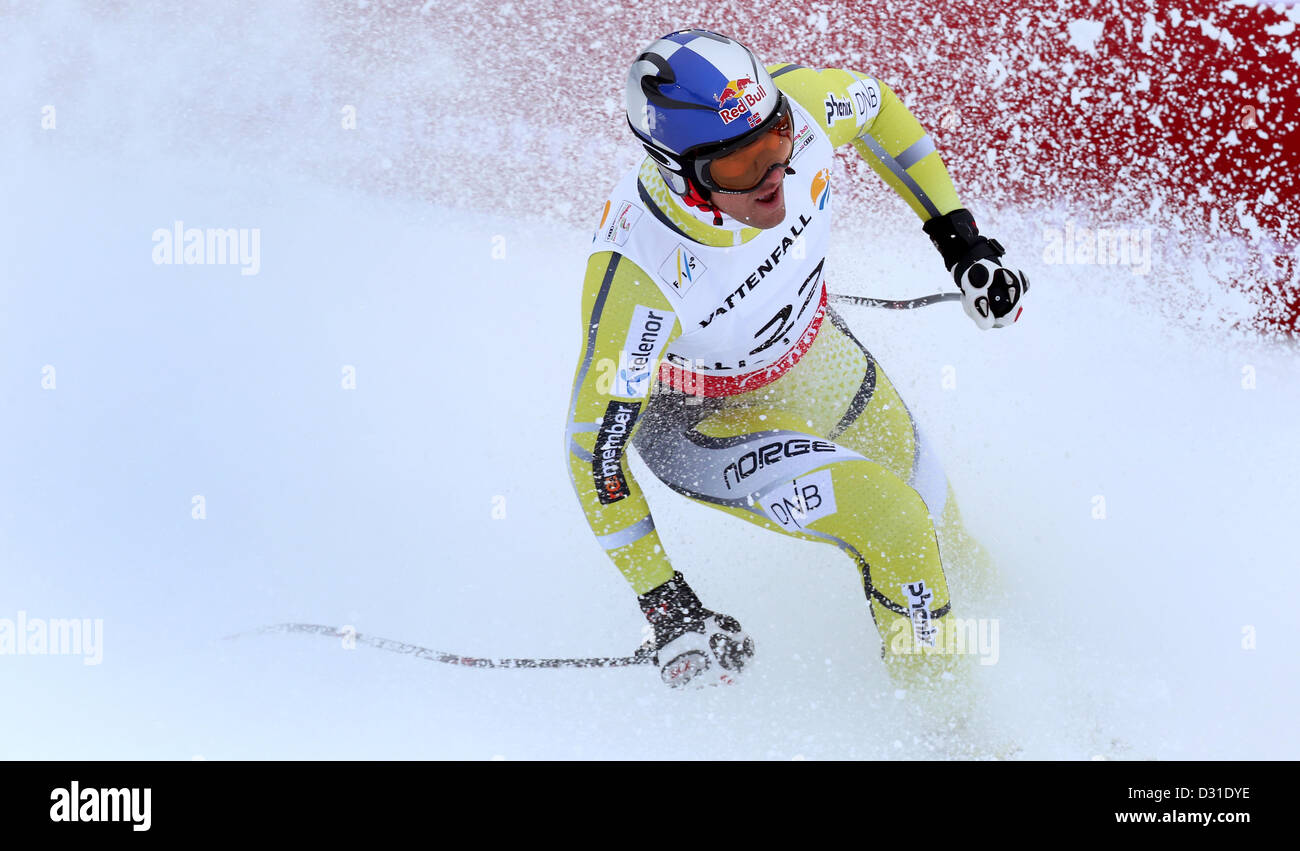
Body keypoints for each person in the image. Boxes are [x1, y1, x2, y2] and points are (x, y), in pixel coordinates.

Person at [564, 29, 1028, 690]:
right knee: (894, 521)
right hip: (704, 420)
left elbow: (879, 109)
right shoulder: (637, 274)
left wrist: (960, 241)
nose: (774, 182)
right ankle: (953, 728)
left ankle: (1040, 661)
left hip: (814, 356)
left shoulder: (804, 111)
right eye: (738, 169)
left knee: (948, 538)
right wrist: (664, 601)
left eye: (776, 145)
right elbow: (593, 452)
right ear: (680, 172)